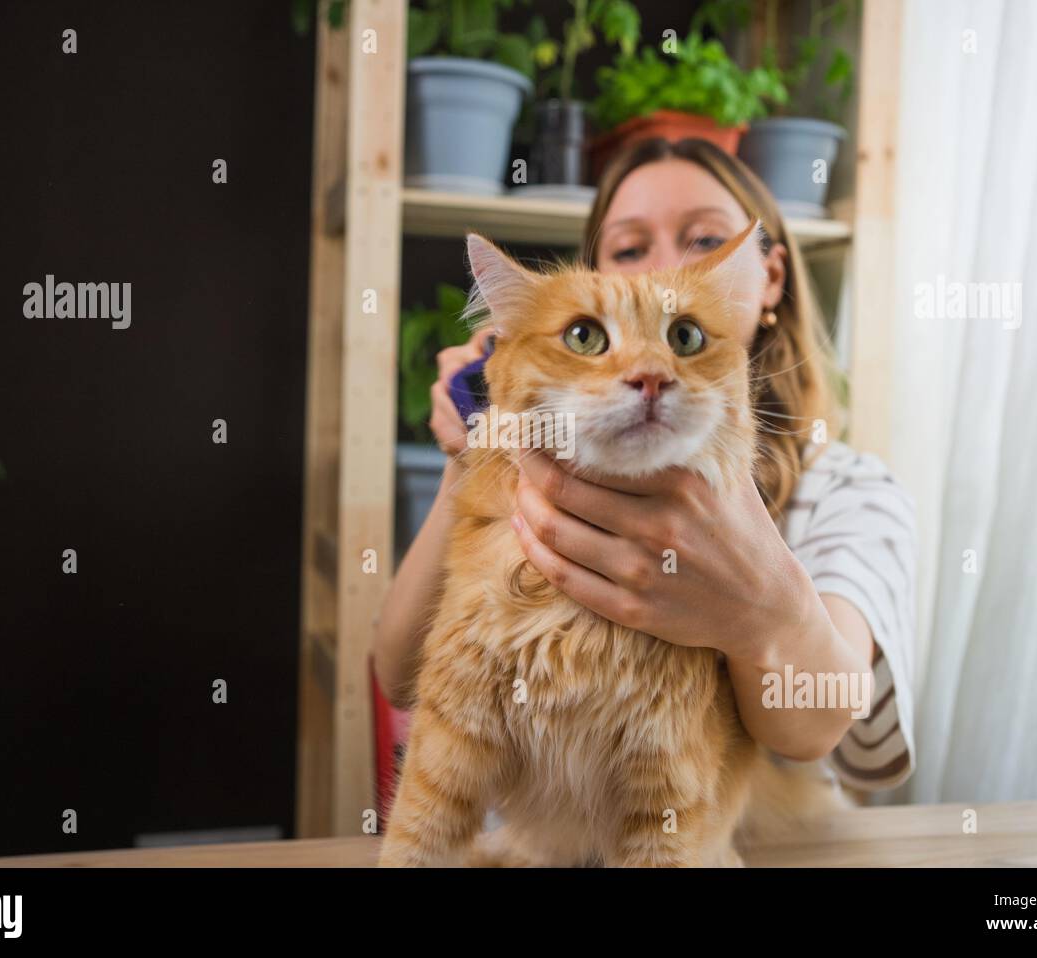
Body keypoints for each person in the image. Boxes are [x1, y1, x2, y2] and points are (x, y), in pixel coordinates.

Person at [374, 137, 918, 796]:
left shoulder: (850, 490)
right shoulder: (534, 454)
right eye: (630, 250)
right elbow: (401, 675)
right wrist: (477, 454)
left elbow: (815, 726)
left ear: (766, 277)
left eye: (703, 241)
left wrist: (759, 615)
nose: (663, 272)